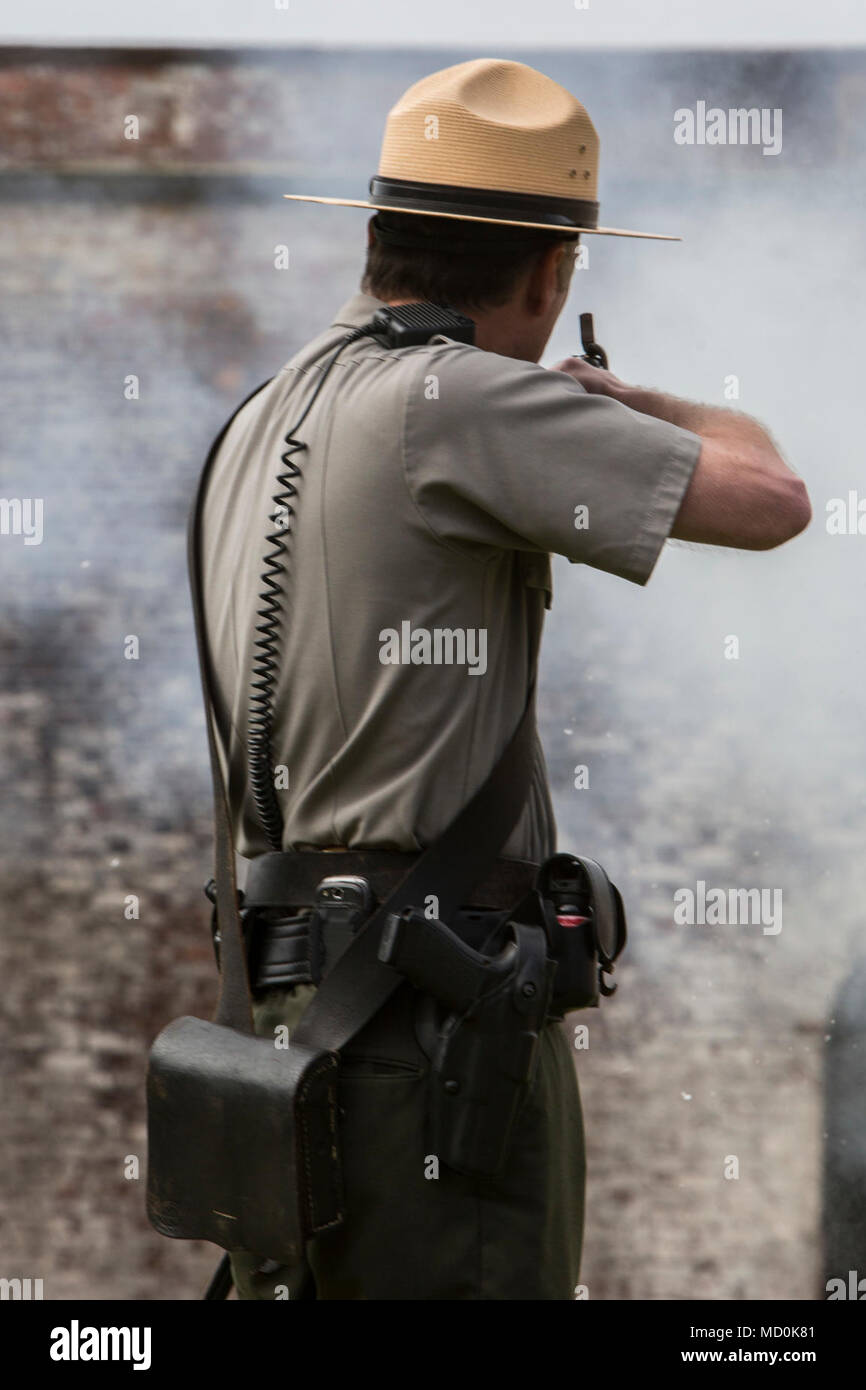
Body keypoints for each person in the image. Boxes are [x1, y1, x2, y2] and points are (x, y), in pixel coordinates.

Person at [198, 57, 810, 1301]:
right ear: (551, 273)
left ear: (377, 237)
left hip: (289, 1013)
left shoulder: (264, 411)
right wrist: (623, 401)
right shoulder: (459, 401)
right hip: (432, 1032)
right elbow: (773, 498)